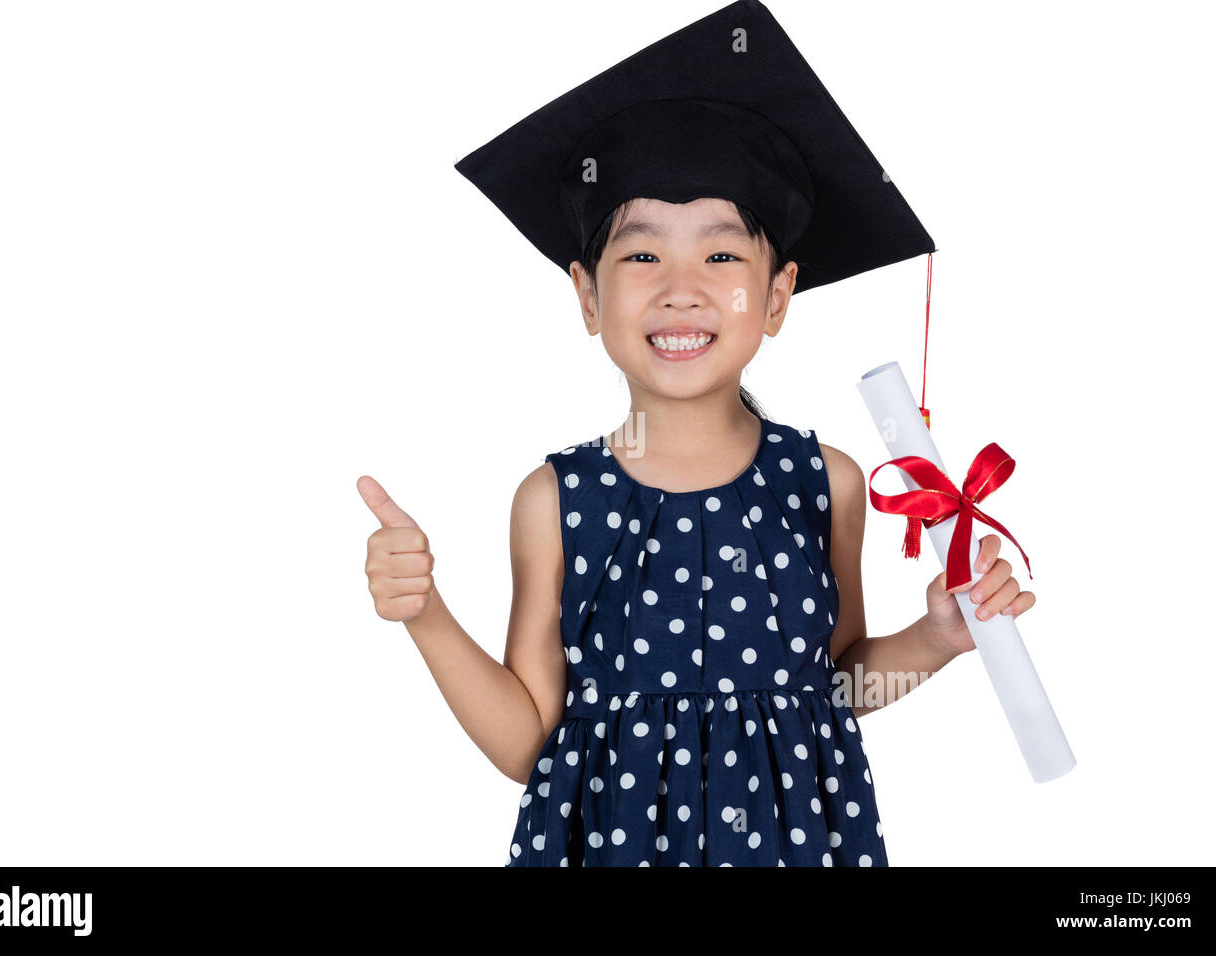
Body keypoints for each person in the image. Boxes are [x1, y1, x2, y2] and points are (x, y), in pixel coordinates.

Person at [358, 0, 1034, 866]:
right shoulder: (557, 503)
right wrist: (425, 615)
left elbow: (831, 690)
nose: (681, 289)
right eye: (641, 255)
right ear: (588, 295)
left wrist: (937, 640)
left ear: (779, 295)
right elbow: (529, 744)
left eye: (721, 256)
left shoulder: (825, 482)